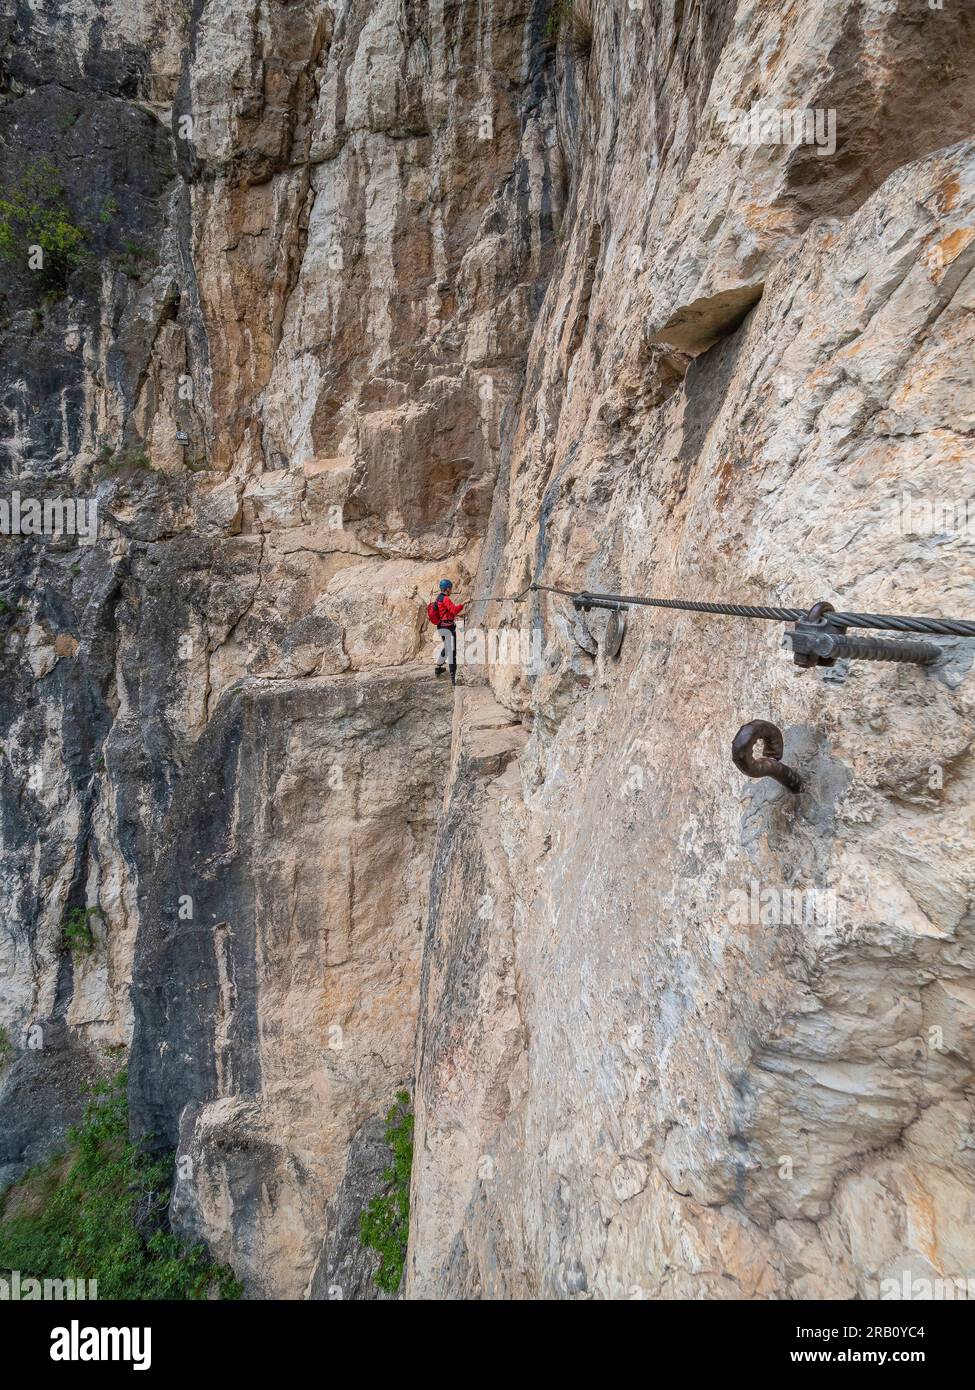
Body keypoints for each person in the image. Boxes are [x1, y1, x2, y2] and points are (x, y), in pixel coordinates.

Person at [432, 578, 464, 685]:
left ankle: (438, 667)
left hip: (441, 627)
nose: (451, 591)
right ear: (447, 589)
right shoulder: (446, 599)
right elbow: (454, 610)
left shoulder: (439, 598)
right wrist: (464, 603)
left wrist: (456, 615)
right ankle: (453, 679)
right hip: (448, 628)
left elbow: (446, 612)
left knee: (447, 647)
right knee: (452, 652)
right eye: (451, 589)